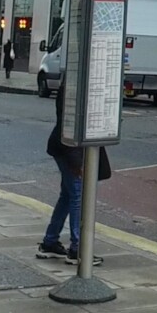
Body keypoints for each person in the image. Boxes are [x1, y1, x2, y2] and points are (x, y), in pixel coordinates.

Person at [38, 110, 104, 266]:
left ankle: (50, 242)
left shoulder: (70, 86)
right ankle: (77, 248)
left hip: (65, 146)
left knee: (68, 195)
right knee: (78, 195)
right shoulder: (74, 87)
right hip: (69, 148)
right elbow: (70, 122)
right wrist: (75, 160)